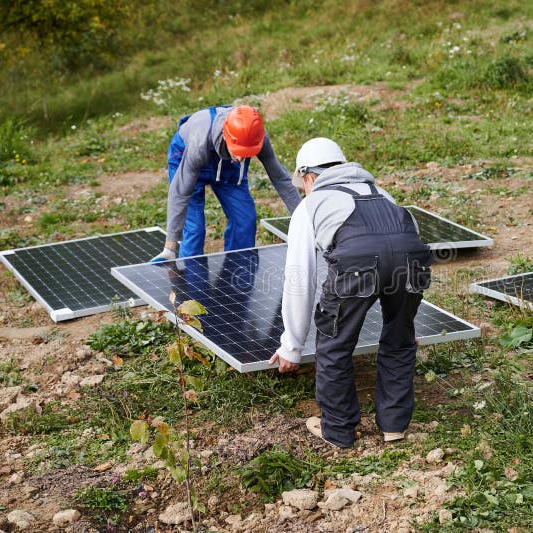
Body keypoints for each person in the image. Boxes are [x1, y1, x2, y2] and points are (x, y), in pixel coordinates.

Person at [268, 137, 433, 448]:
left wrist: (292, 346)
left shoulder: (310, 204)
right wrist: (406, 320)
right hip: (411, 260)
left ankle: (339, 430)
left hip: (358, 264)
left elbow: (300, 279)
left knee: (334, 344)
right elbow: (402, 243)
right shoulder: (380, 192)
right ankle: (394, 426)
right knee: (400, 342)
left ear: (308, 177)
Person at [151, 105, 300, 262]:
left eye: (247, 154)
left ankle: (238, 279)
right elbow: (180, 192)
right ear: (226, 135)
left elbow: (281, 179)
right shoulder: (199, 143)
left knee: (245, 220)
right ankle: (192, 283)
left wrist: (306, 220)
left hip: (228, 164)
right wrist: (170, 247)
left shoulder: (256, 136)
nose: (242, 159)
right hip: (186, 155)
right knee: (195, 229)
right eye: (239, 151)